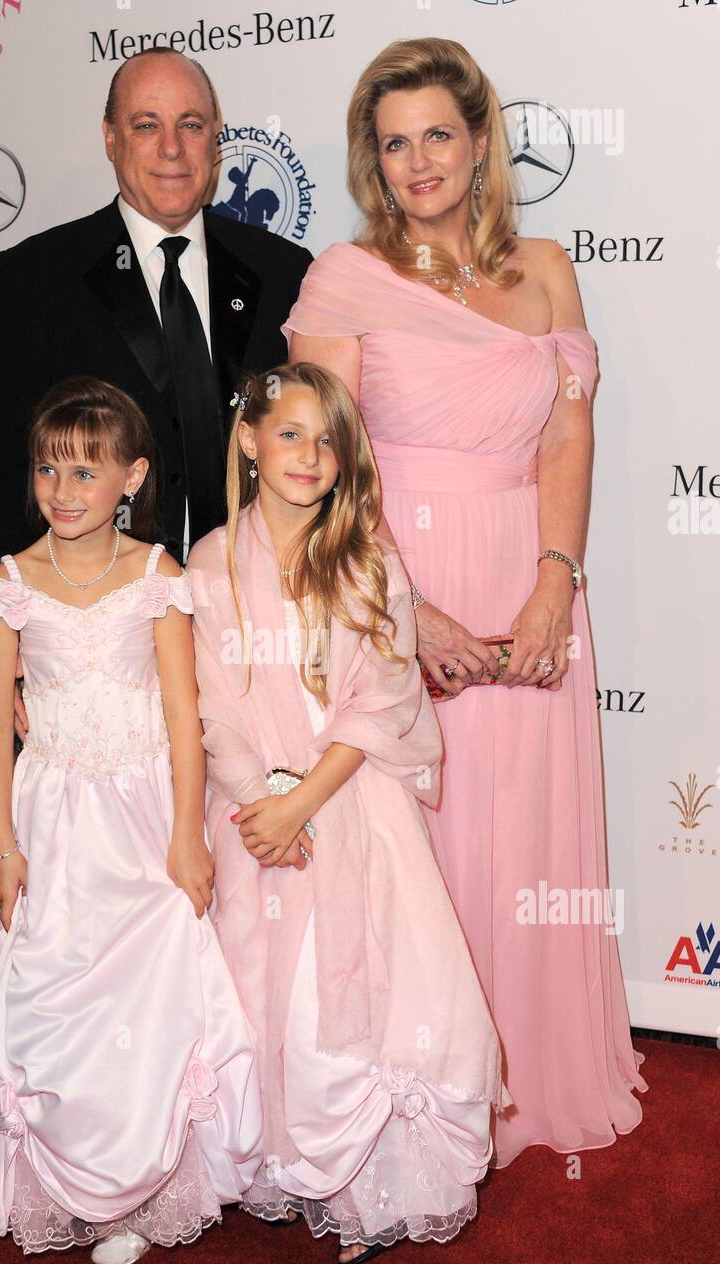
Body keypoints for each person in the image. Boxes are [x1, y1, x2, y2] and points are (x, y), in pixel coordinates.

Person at [283, 37, 647, 1169]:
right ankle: (417, 1093)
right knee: (417, 844)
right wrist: (406, 607)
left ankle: (527, 1065)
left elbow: (566, 429)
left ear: (480, 140)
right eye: (393, 144)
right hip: (396, 584)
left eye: (438, 133)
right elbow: (322, 461)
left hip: (527, 581)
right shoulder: (343, 280)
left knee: (523, 837)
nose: (418, 161)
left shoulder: (543, 267)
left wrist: (555, 580)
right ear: (370, 163)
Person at [187, 362, 508, 1264]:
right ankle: (277, 1169)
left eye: (327, 441)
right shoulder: (211, 562)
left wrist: (301, 801)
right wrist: (259, 803)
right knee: (261, 992)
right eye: (288, 433)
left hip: (348, 801)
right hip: (251, 818)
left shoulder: (367, 556)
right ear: (248, 441)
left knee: (361, 991)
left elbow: (381, 697)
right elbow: (209, 705)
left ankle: (377, 1183)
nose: (309, 455)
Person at [0, 377, 262, 1264]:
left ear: (132, 479)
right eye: (48, 469)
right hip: (50, 817)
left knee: (153, 998)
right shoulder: (6, 585)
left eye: (85, 473)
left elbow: (182, 719)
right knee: (47, 990)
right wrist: (2, 847)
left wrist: (189, 834)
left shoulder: (158, 577)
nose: (62, 490)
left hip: (147, 815)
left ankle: (138, 1187)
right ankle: (59, 1182)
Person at [0, 45, 312, 579]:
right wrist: (1, 623)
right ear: (110, 137)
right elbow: (4, 468)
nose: (172, 148)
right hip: (103, 616)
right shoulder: (42, 278)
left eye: (190, 124)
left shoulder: (283, 271)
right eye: (147, 125)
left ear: (215, 136)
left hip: (257, 605)